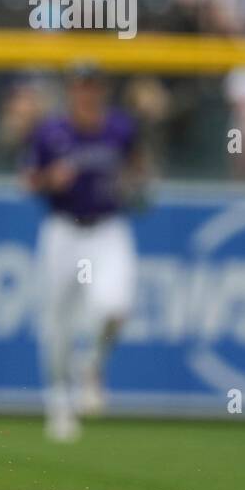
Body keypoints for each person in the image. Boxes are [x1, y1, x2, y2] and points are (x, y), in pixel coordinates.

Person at [23, 64, 148, 441]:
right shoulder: (51, 132)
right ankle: (58, 405)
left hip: (107, 229)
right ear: (71, 91)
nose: (87, 94)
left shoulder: (120, 129)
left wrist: (135, 183)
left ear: (102, 91)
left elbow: (139, 169)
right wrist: (49, 179)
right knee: (57, 325)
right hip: (63, 231)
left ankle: (91, 365)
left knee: (115, 308)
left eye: (93, 86)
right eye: (81, 87)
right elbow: (27, 181)